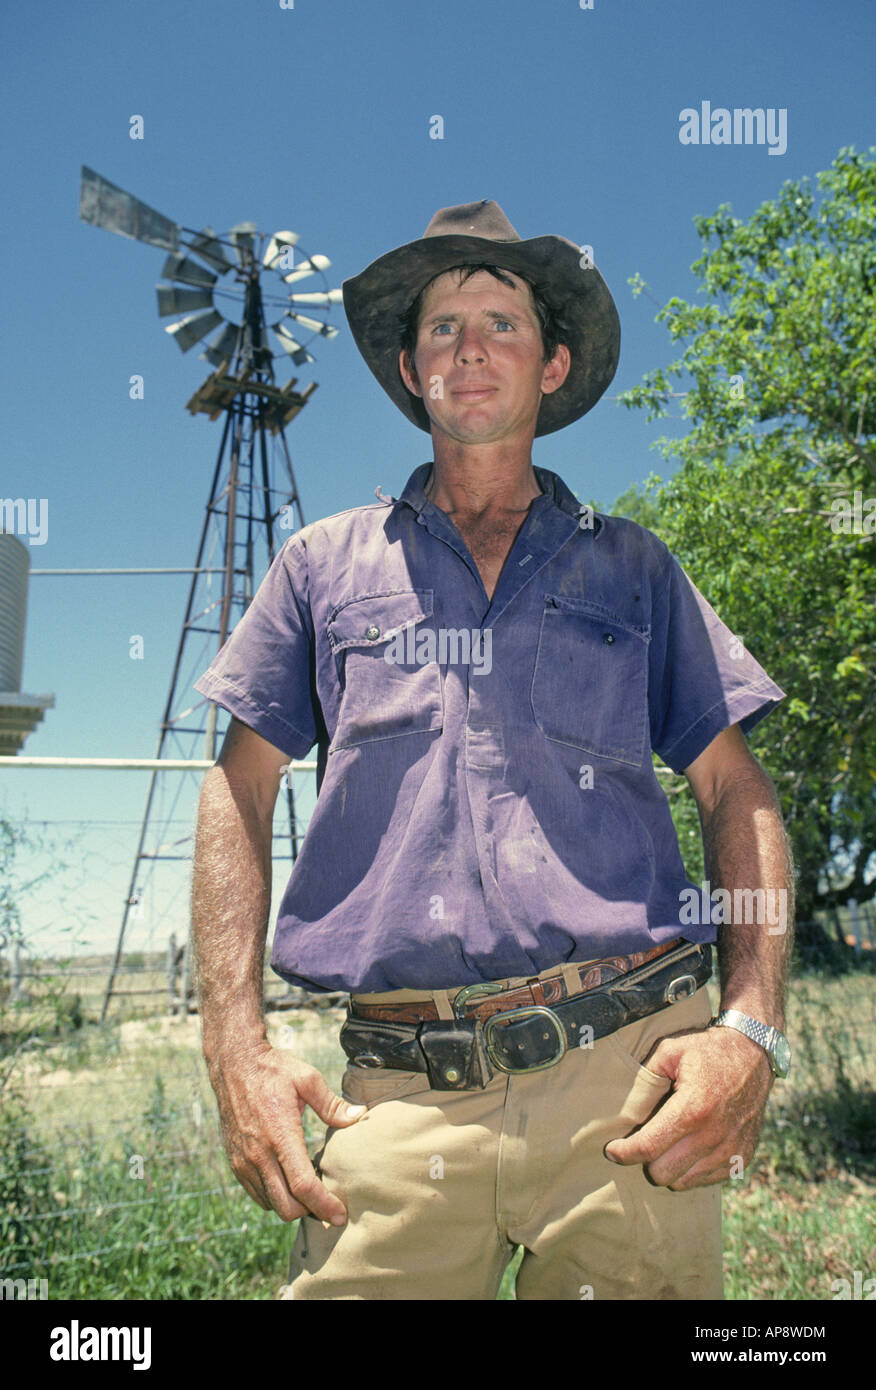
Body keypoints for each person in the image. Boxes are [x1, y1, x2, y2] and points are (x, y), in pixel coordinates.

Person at [191, 200, 794, 1301]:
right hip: (395, 1100)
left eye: (501, 322)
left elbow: (735, 790)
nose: (469, 346)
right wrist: (234, 1045)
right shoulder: (321, 568)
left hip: (633, 1083)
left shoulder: (636, 570)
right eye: (441, 327)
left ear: (552, 362)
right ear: (413, 371)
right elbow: (237, 791)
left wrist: (751, 1028)